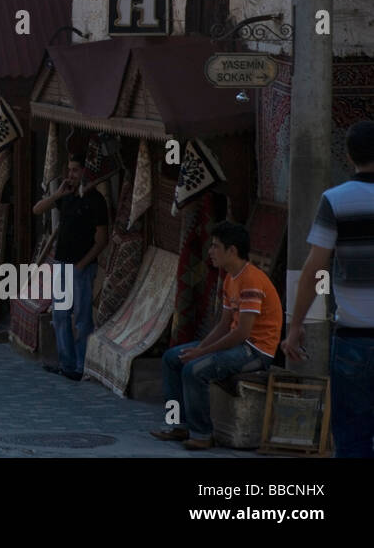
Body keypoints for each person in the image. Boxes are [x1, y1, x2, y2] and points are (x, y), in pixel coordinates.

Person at [283, 120, 374, 458]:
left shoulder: (335, 200)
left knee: (352, 438)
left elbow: (314, 270)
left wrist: (296, 326)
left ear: (349, 155)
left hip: (353, 341)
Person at [152, 222, 282, 451]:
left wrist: (201, 353)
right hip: (238, 344)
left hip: (256, 351)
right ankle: (178, 424)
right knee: (172, 358)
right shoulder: (231, 279)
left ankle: (202, 434)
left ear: (232, 250)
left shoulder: (251, 280)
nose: (210, 252)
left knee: (195, 369)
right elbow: (224, 324)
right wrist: (199, 348)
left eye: (215, 246)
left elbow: (242, 333)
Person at [32, 154, 109, 381]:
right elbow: (37, 209)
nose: (71, 175)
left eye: (76, 170)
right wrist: (57, 194)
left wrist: (81, 265)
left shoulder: (95, 200)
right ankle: (67, 364)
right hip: (61, 265)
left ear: (86, 172)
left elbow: (102, 239)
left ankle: (81, 365)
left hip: (81, 269)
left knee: (83, 318)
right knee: (60, 316)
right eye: (69, 170)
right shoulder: (66, 196)